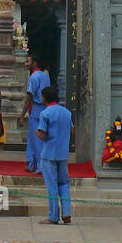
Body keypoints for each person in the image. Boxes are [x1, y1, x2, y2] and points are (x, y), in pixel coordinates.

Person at [36, 87, 73, 224]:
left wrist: (37, 133)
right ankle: (67, 212)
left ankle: (53, 216)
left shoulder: (45, 113)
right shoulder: (66, 112)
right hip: (63, 152)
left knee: (51, 185)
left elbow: (42, 134)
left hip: (49, 153)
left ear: (45, 98)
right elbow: (72, 130)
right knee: (64, 183)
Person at [18, 54, 49, 173]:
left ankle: (38, 165)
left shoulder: (34, 77)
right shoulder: (45, 76)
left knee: (35, 138)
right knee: (37, 137)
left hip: (36, 107)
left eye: (28, 61)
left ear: (34, 63)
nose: (26, 64)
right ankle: (32, 163)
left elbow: (30, 96)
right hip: (44, 108)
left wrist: (22, 115)